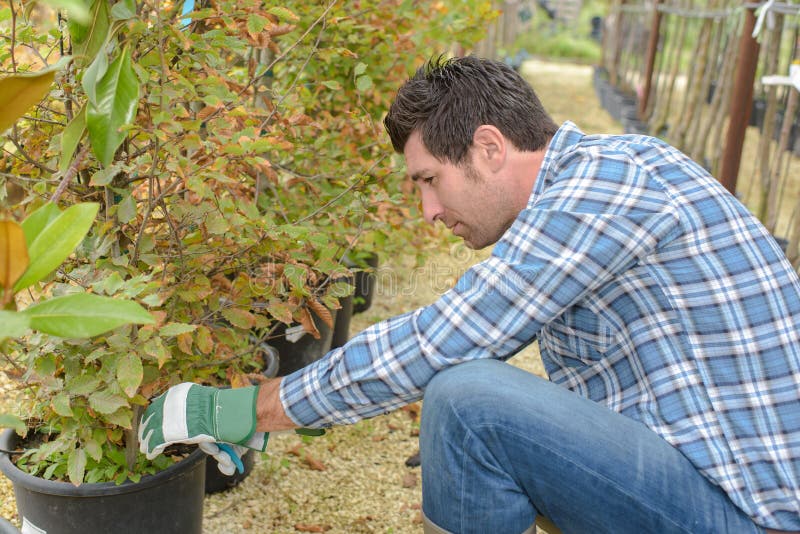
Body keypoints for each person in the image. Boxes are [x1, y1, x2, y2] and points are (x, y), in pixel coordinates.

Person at [139, 56, 800, 533]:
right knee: (471, 419)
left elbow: (447, 337)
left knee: (468, 401)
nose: (427, 210)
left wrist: (245, 410)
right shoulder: (605, 172)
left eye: (428, 180)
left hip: (742, 511)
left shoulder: (603, 191)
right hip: (707, 477)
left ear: (488, 148)